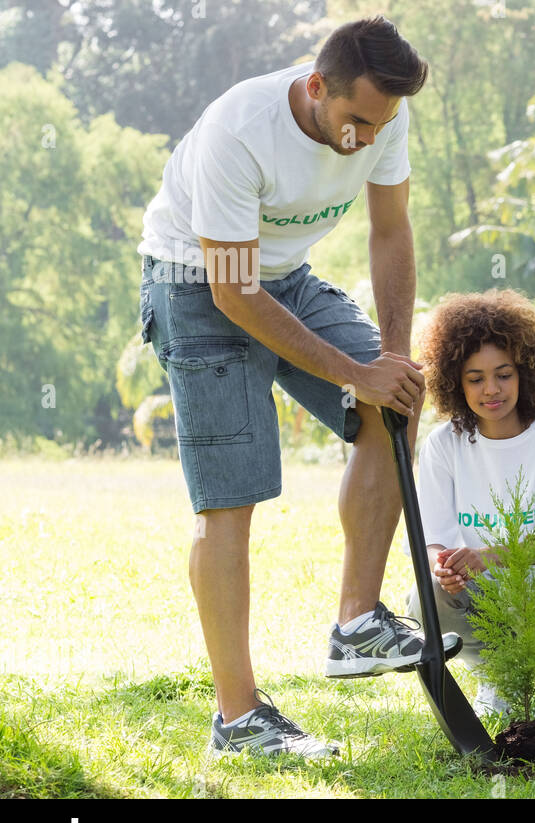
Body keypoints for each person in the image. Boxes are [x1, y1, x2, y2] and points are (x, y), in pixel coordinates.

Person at [136, 17, 431, 758]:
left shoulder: (383, 112)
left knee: (389, 410)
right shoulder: (240, 129)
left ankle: (356, 623)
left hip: (284, 277)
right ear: (315, 87)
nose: (366, 138)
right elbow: (233, 293)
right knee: (229, 503)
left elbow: (391, 233)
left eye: (380, 124)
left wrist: (387, 365)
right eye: (355, 122)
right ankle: (238, 722)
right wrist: (356, 372)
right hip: (198, 284)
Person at [409, 290, 535, 721]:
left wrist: (486, 557)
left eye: (503, 374)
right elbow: (432, 540)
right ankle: (495, 674)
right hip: (482, 592)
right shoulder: (443, 445)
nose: (491, 390)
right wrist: (443, 567)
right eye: (475, 378)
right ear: (455, 382)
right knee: (423, 595)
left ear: (526, 372)